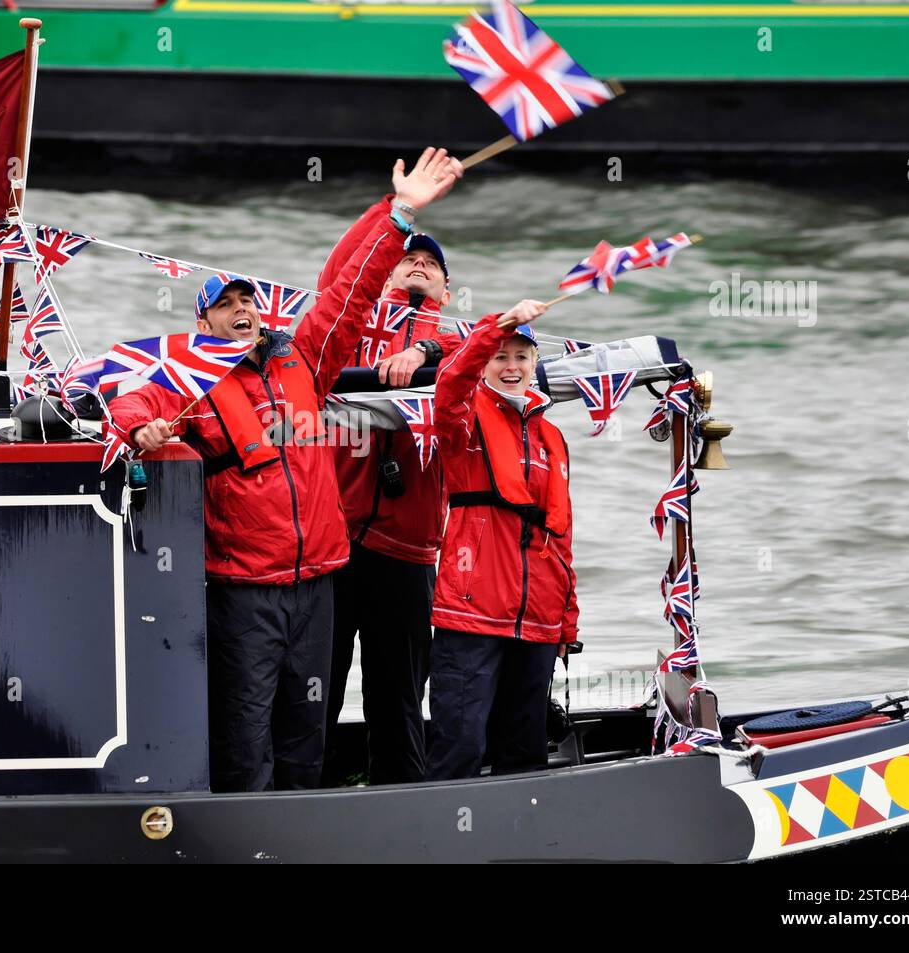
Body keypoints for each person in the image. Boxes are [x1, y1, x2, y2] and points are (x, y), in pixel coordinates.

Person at [109, 148, 464, 792]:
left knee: (307, 728)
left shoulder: (303, 360)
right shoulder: (190, 379)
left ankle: (308, 830)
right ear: (204, 321)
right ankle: (248, 835)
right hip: (245, 589)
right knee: (246, 731)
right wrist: (139, 428)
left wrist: (401, 213)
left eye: (250, 299)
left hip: (319, 584)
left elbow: (349, 294)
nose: (242, 308)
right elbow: (132, 398)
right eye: (226, 303)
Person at [315, 205, 462, 786]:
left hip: (407, 552)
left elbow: (487, 345)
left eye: (432, 266)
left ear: (448, 292)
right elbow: (336, 279)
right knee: (315, 686)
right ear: (383, 274)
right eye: (408, 260)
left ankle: (400, 802)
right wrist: (395, 216)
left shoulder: (457, 340)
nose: (420, 267)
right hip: (337, 542)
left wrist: (424, 352)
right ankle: (300, 797)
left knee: (398, 695)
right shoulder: (352, 324)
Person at [426, 301, 580, 780]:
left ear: (536, 364)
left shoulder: (552, 435)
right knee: (460, 743)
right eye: (500, 356)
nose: (511, 367)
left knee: (525, 751)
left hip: (539, 617)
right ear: (485, 361)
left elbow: (564, 534)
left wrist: (566, 623)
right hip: (472, 611)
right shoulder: (462, 418)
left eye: (521, 356)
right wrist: (496, 327)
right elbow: (450, 384)